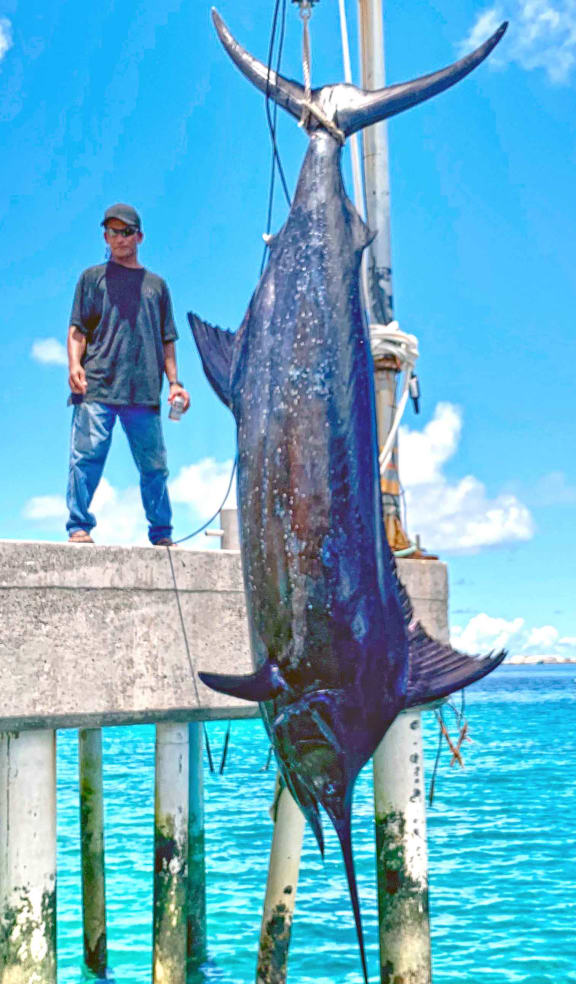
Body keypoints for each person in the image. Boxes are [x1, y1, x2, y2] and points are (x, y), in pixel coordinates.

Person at [66, 203, 189, 546]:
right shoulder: (91, 279)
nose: (118, 238)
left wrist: (176, 383)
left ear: (140, 236)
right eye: (112, 231)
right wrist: (74, 365)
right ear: (105, 236)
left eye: (126, 232)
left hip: (144, 391)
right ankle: (79, 526)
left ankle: (162, 534)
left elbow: (168, 340)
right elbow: (77, 330)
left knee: (154, 469)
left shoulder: (157, 286)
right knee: (86, 459)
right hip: (98, 386)